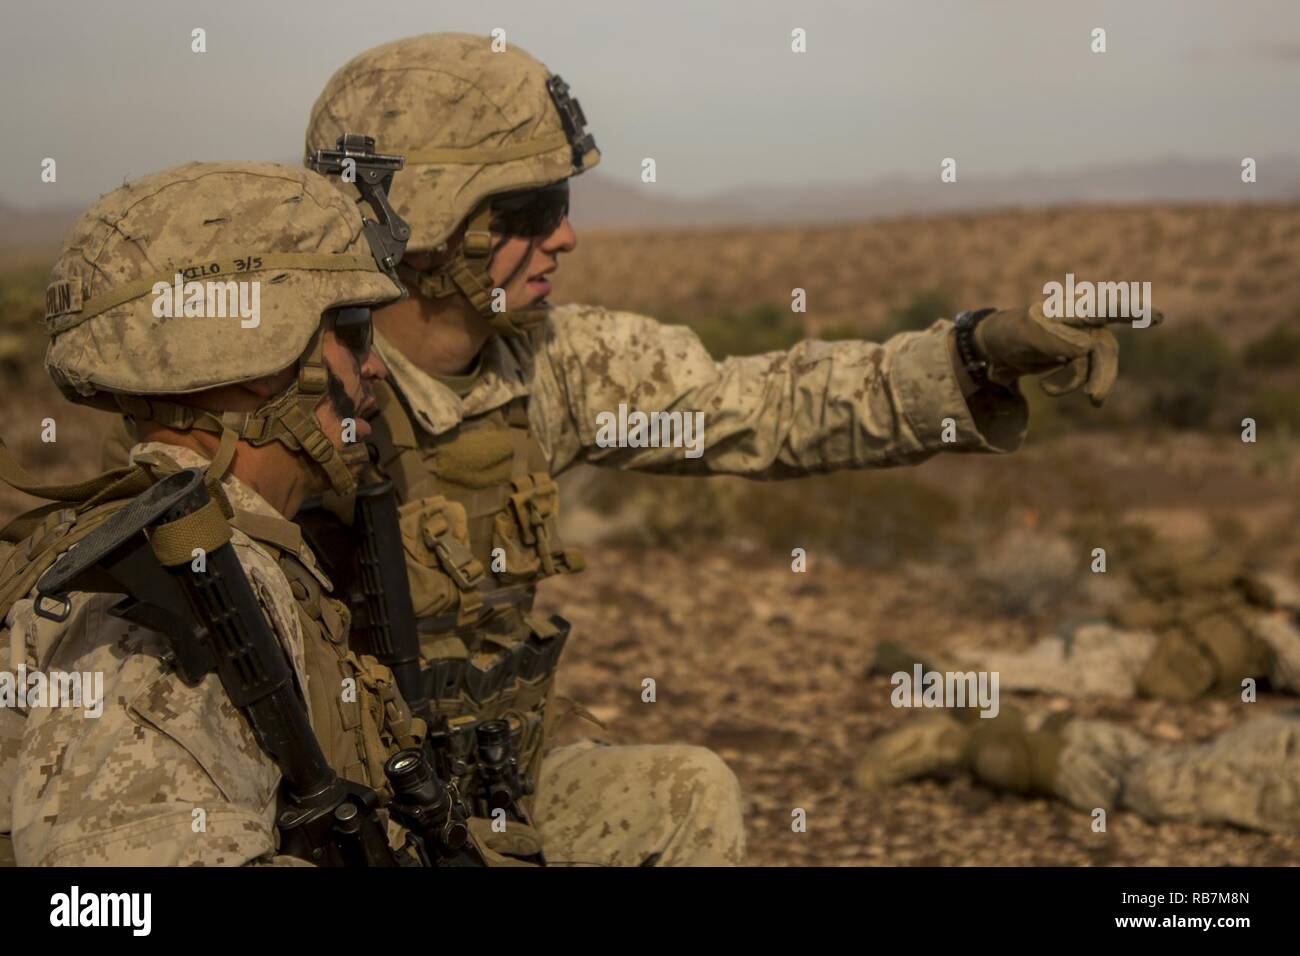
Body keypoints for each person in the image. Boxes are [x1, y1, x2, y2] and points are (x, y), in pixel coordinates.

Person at [291, 32, 1162, 866]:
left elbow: (769, 404)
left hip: (483, 771)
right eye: (533, 210)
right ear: (427, 222)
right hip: (322, 792)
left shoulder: (554, 360)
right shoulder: (283, 390)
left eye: (565, 204)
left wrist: (976, 353)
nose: (567, 236)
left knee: (684, 795)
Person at [0, 161, 427, 866]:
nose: (375, 367)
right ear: (260, 356)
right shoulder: (179, 584)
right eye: (352, 332)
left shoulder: (204, 543)